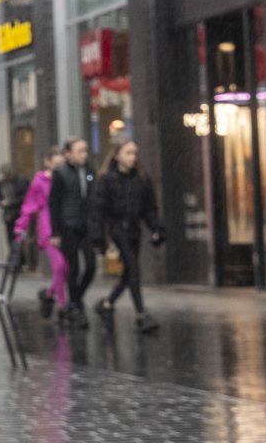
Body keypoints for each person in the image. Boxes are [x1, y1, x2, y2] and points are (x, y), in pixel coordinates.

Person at [92, 139, 164, 333]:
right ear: (117, 155)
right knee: (133, 268)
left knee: (128, 273)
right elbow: (98, 210)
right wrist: (98, 238)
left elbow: (149, 208)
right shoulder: (107, 179)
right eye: (128, 153)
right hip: (117, 229)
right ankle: (141, 314)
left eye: (134, 153)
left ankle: (107, 303)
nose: (132, 157)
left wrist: (156, 228)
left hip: (134, 229)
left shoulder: (140, 178)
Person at [13, 148, 68, 313]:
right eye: (56, 164)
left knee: (66, 268)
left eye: (61, 164)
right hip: (47, 229)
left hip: (64, 227)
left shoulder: (65, 179)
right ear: (48, 162)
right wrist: (20, 228)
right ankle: (63, 305)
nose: (59, 168)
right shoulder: (39, 182)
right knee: (59, 266)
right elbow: (29, 206)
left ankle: (49, 293)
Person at [48, 137, 98, 318]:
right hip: (68, 225)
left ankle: (76, 299)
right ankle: (75, 306)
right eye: (80, 151)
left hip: (86, 225)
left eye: (85, 150)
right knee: (73, 268)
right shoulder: (60, 173)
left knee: (91, 265)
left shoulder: (89, 171)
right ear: (68, 154)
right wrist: (55, 232)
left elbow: (92, 191)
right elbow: (54, 203)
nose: (84, 154)